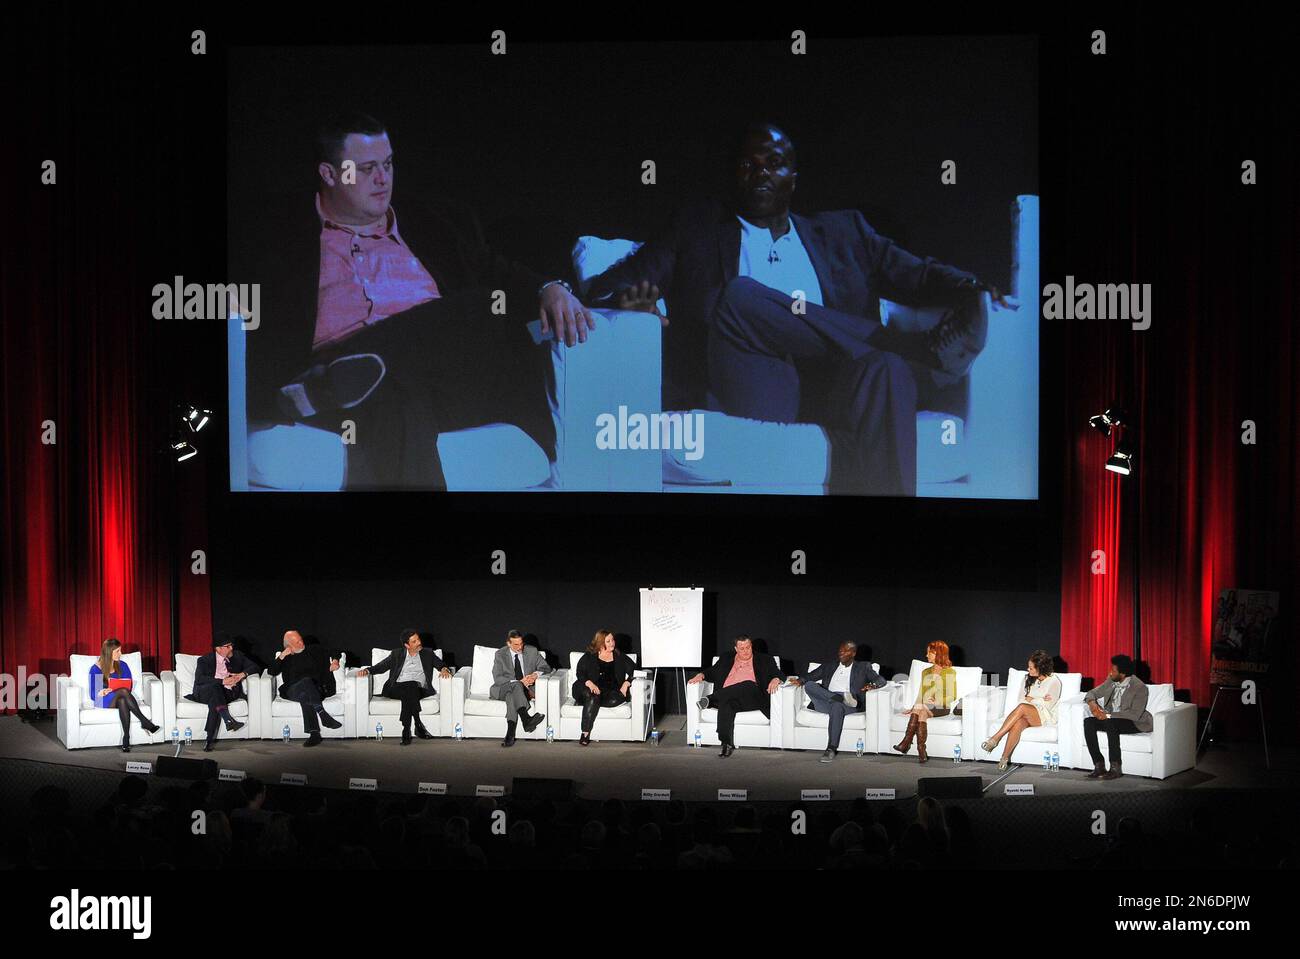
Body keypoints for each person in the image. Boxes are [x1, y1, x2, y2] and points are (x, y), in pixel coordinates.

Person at [585, 120, 1013, 495]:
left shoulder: (845, 232)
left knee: (888, 369)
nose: (761, 173)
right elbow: (613, 282)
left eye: (774, 163)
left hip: (841, 383)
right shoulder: (697, 229)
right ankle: (921, 355)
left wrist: (973, 289)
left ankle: (888, 556)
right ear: (733, 174)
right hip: (756, 384)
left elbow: (918, 275)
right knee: (739, 296)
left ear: (794, 178)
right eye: (749, 164)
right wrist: (627, 305)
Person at [239, 110, 594, 490]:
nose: (383, 179)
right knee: (399, 400)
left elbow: (498, 270)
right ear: (328, 174)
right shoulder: (279, 237)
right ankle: (346, 377)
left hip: (447, 378)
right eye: (367, 168)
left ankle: (332, 378)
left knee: (481, 307)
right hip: (360, 399)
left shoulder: (434, 223)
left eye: (388, 165)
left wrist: (551, 287)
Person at [687, 635, 784, 757]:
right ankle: (726, 744)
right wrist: (701, 675)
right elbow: (712, 671)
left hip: (754, 698)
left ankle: (712, 699)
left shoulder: (765, 659)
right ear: (736, 649)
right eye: (742, 648)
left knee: (748, 684)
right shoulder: (726, 658)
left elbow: (779, 674)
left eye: (748, 647)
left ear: (751, 646)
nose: (745, 651)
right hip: (730, 698)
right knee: (727, 705)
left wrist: (776, 678)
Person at [789, 640, 886, 762]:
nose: (841, 653)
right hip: (826, 700)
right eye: (840, 651)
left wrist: (873, 685)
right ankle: (838, 698)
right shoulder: (829, 665)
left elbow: (880, 680)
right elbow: (811, 676)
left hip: (850, 703)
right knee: (809, 685)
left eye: (845, 651)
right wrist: (800, 680)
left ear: (853, 653)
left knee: (837, 706)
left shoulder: (863, 667)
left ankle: (831, 748)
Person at [357, 628, 452, 744]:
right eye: (414, 641)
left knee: (411, 686)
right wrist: (367, 670)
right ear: (407, 645)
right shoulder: (397, 654)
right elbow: (380, 667)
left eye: (418, 639)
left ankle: (406, 730)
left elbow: (441, 664)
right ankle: (418, 725)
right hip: (395, 688)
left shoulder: (428, 653)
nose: (419, 643)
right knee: (410, 687)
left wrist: (444, 670)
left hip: (420, 689)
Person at [979, 649, 1062, 770]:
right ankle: (1004, 758)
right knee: (1018, 722)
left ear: (1041, 668)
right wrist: (1039, 699)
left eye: (1031, 668)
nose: (1028, 670)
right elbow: (1021, 699)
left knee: (1022, 707)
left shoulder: (1054, 682)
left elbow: (1047, 706)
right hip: (1027, 713)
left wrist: (1031, 698)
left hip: (1044, 716)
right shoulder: (1027, 678)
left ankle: (995, 738)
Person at [265, 630, 344, 746]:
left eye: (301, 639)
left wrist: (335, 661)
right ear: (289, 646)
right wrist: (282, 656)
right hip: (292, 690)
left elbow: (335, 651)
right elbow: (271, 671)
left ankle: (314, 734)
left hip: (316, 689)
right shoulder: (285, 658)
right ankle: (323, 715)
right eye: (297, 642)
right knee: (304, 684)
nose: (301, 643)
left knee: (305, 693)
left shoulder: (313, 650)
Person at [1081, 654, 1152, 780]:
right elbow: (1093, 692)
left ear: (1123, 674)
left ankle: (1115, 768)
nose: (1110, 672)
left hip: (1133, 722)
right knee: (1088, 722)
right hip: (1112, 719)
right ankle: (1099, 765)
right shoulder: (1112, 681)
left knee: (1110, 723)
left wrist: (1107, 715)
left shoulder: (1140, 687)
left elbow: (1134, 714)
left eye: (1113, 670)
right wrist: (1092, 704)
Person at [187, 634, 257, 751]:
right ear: (218, 648)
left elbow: (254, 667)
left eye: (231, 645)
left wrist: (242, 674)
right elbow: (199, 679)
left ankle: (211, 737)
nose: (231, 648)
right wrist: (222, 681)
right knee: (216, 686)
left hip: (228, 693)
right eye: (228, 646)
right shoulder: (204, 660)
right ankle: (226, 721)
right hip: (205, 692)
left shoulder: (238, 656)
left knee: (215, 698)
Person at [88, 638, 160, 752]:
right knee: (123, 692)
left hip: (121, 697)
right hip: (104, 700)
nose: (120, 654)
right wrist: (101, 692)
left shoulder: (123, 665)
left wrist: (121, 688)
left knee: (123, 699)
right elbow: (93, 693)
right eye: (117, 651)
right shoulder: (96, 668)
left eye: (120, 651)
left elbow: (129, 686)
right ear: (108, 652)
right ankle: (144, 721)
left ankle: (126, 738)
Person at [894, 640, 958, 762]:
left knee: (921, 707)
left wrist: (937, 701)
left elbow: (952, 696)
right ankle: (921, 751)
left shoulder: (949, 672)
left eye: (930, 653)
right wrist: (914, 708)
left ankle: (906, 742)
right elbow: (921, 694)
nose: (926, 655)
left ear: (939, 654)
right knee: (922, 712)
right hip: (924, 706)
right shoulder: (926, 672)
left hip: (942, 706)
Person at [571, 628, 636, 745]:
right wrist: (589, 682)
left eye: (613, 640)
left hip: (608, 692)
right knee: (593, 696)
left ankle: (590, 703)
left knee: (613, 698)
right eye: (608, 641)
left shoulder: (618, 655)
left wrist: (627, 683)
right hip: (586, 688)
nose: (612, 643)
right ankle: (585, 733)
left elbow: (634, 670)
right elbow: (579, 673)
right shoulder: (590, 656)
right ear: (601, 644)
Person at [490, 629, 553, 746]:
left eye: (521, 643)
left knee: (511, 697)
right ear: (508, 643)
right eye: (516, 644)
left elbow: (546, 668)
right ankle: (526, 719)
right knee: (515, 687)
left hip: (521, 692)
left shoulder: (532, 651)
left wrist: (535, 675)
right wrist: (519, 682)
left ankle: (510, 734)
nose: (520, 647)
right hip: (502, 689)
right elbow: (497, 678)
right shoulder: (500, 654)